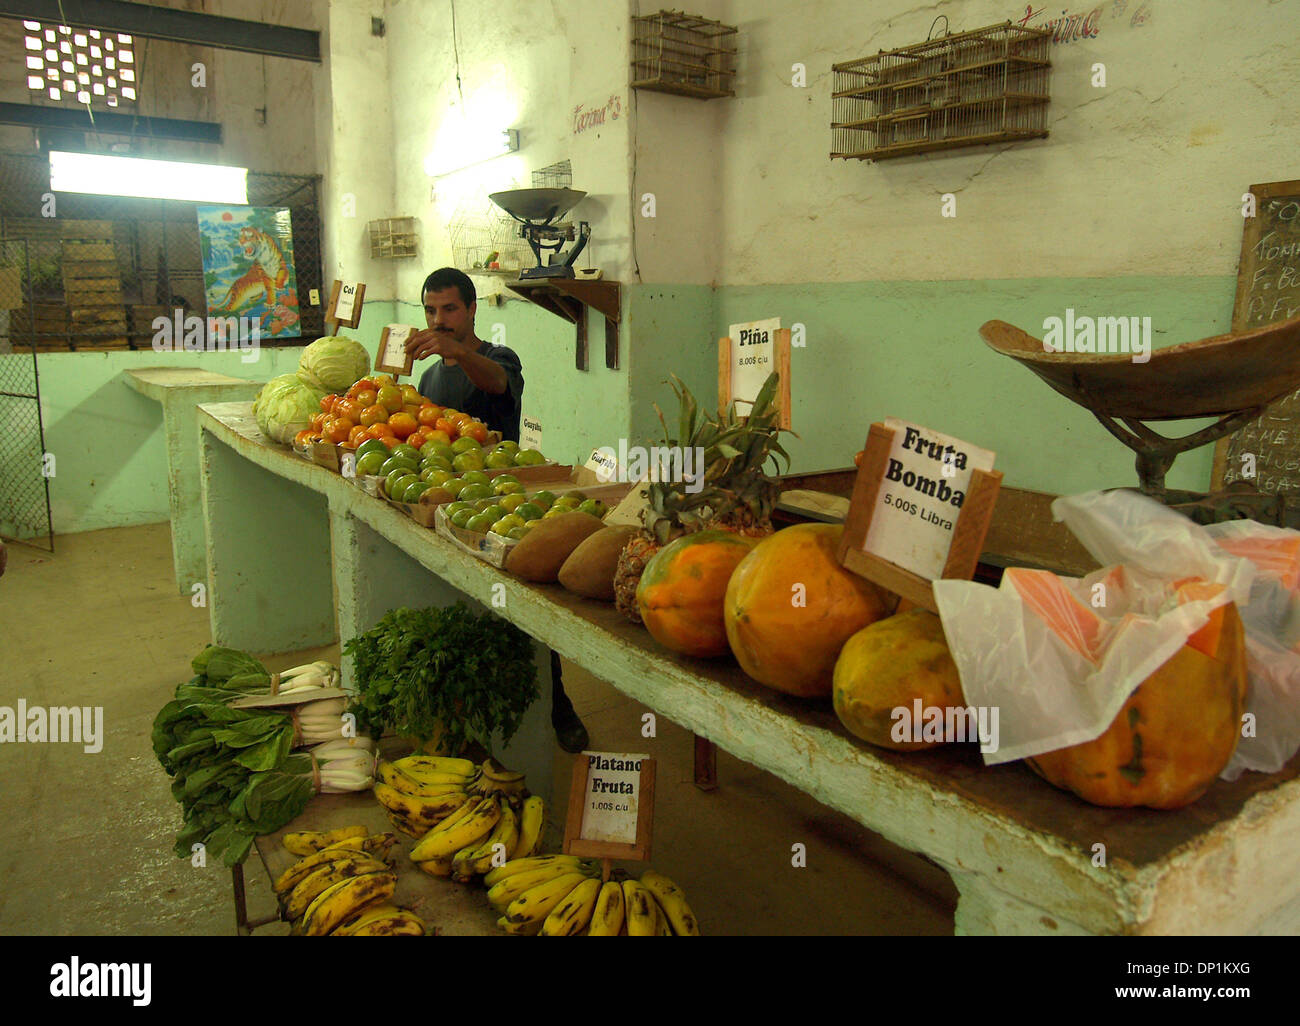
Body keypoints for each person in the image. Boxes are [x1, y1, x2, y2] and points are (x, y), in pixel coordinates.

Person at [405, 268, 589, 754]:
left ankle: (559, 704)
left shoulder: (496, 357)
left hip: (502, 506)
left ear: (470, 309)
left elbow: (497, 384)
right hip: (451, 510)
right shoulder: (428, 377)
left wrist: (458, 352)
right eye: (430, 310)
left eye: (448, 309)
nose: (438, 320)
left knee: (529, 614)